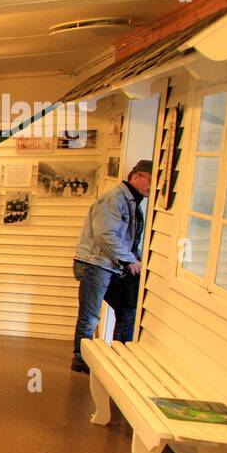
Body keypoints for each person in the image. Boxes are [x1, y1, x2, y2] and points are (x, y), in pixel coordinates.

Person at [70, 159, 152, 373]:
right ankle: (80, 357)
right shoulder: (114, 199)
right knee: (91, 314)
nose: (152, 186)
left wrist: (135, 258)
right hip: (95, 263)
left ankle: (120, 352)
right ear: (135, 177)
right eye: (149, 180)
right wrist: (129, 259)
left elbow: (129, 238)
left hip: (111, 264)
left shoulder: (133, 203)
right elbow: (105, 234)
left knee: (128, 306)